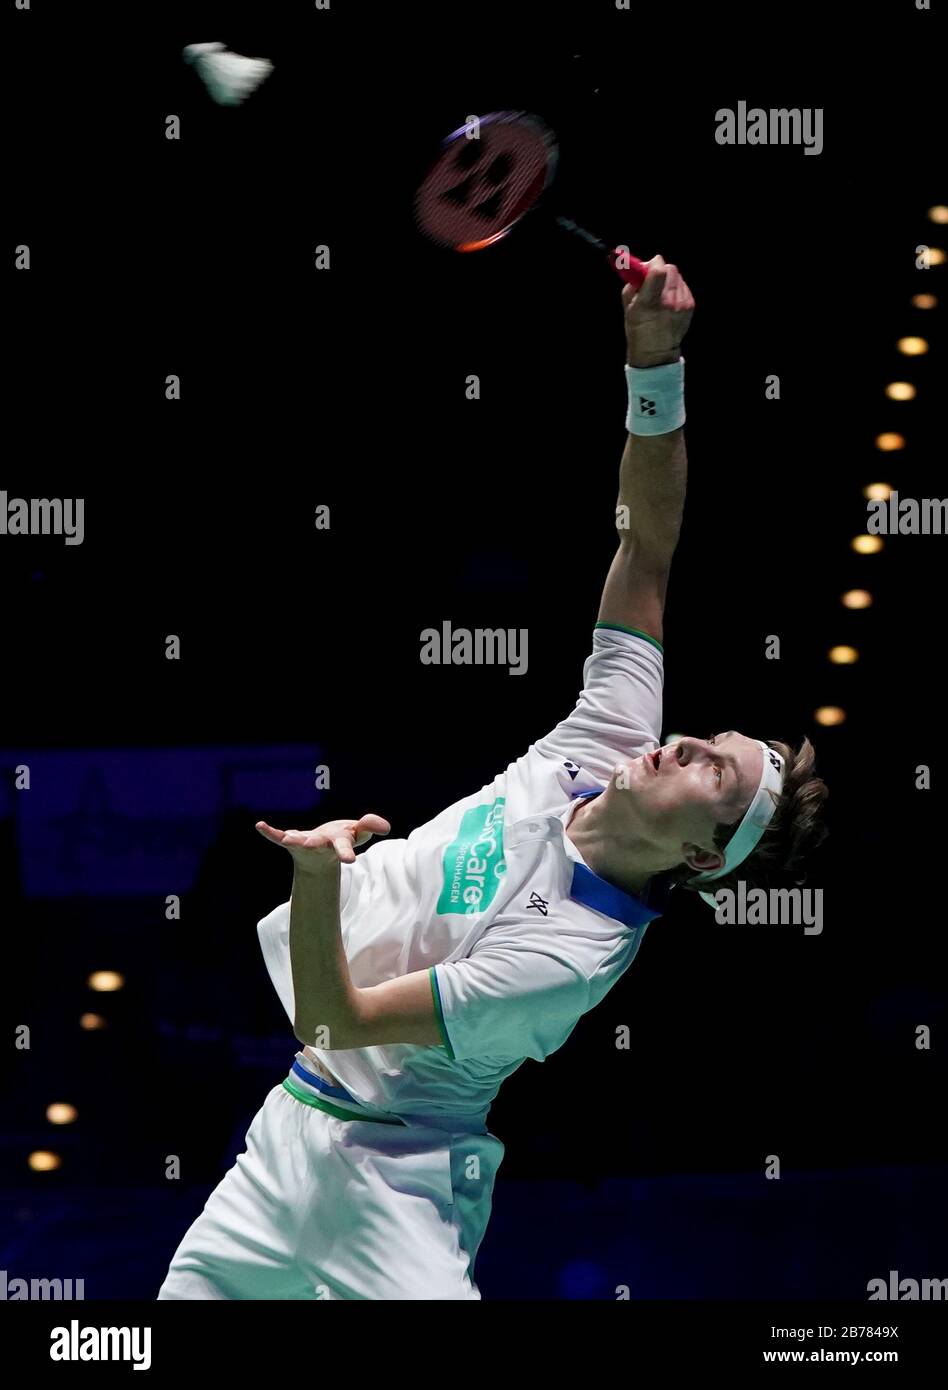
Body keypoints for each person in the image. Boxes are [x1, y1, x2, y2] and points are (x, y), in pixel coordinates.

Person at [157, 256, 828, 1300]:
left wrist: (319, 874)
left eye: (713, 771)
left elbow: (337, 1018)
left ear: (703, 855)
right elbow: (647, 548)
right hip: (288, 1133)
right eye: (706, 735)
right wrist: (654, 368)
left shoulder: (573, 952)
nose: (687, 745)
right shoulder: (608, 735)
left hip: (398, 1174)